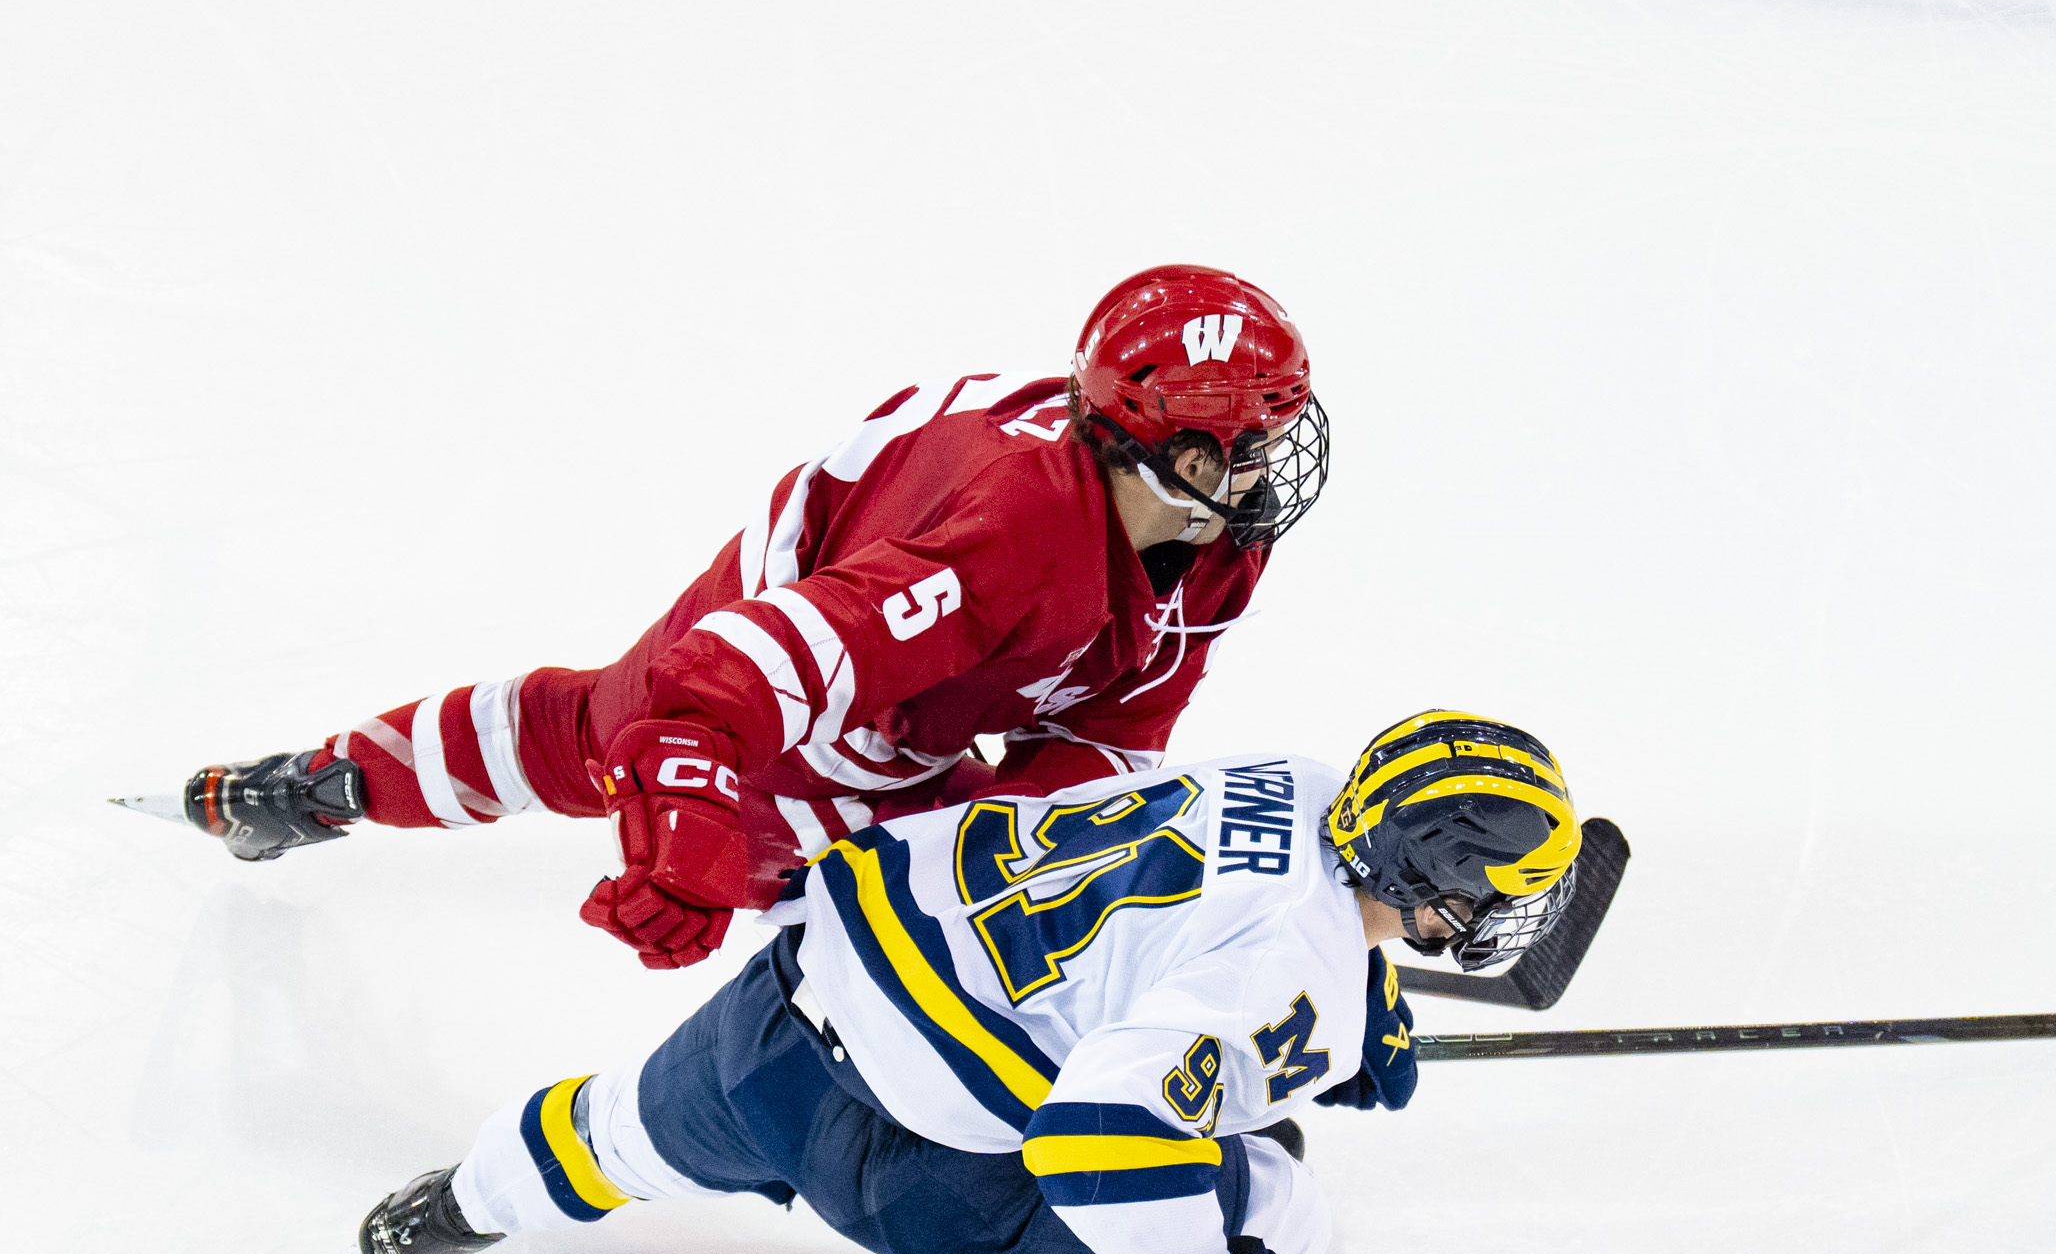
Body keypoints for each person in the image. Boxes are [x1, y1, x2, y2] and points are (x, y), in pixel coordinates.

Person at [341, 710, 1582, 1254]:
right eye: (1503, 887)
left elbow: (1181, 918)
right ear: (1438, 879)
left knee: (619, 1126)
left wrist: (1341, 1011)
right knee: (1281, 1210)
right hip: (918, 1170)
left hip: (786, 1011)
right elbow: (1101, 1131)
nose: (1512, 913)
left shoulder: (1302, 782)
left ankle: (456, 1204)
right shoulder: (1288, 970)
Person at [121, 266, 1332, 970]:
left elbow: (1114, 726)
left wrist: (1057, 859)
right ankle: (321, 785)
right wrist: (693, 822)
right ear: (1174, 446)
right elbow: (734, 675)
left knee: (978, 880)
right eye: (1255, 436)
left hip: (907, 634)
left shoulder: (1212, 537)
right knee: (617, 741)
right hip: (820, 629)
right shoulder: (1014, 543)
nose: (1273, 464)